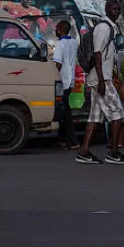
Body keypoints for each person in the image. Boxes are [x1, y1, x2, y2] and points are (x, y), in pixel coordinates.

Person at [77, 0, 124, 165]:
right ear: (106, 10)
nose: (115, 11)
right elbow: (98, 55)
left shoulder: (110, 27)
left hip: (101, 78)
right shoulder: (103, 28)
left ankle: (84, 152)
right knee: (118, 114)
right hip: (101, 80)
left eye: (117, 9)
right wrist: (101, 80)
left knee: (95, 118)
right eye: (112, 8)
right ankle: (113, 152)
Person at [52, 19, 79, 151]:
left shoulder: (60, 44)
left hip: (62, 81)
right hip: (70, 80)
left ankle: (73, 141)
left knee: (65, 113)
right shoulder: (74, 42)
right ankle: (62, 140)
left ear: (59, 29)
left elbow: (58, 64)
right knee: (62, 111)